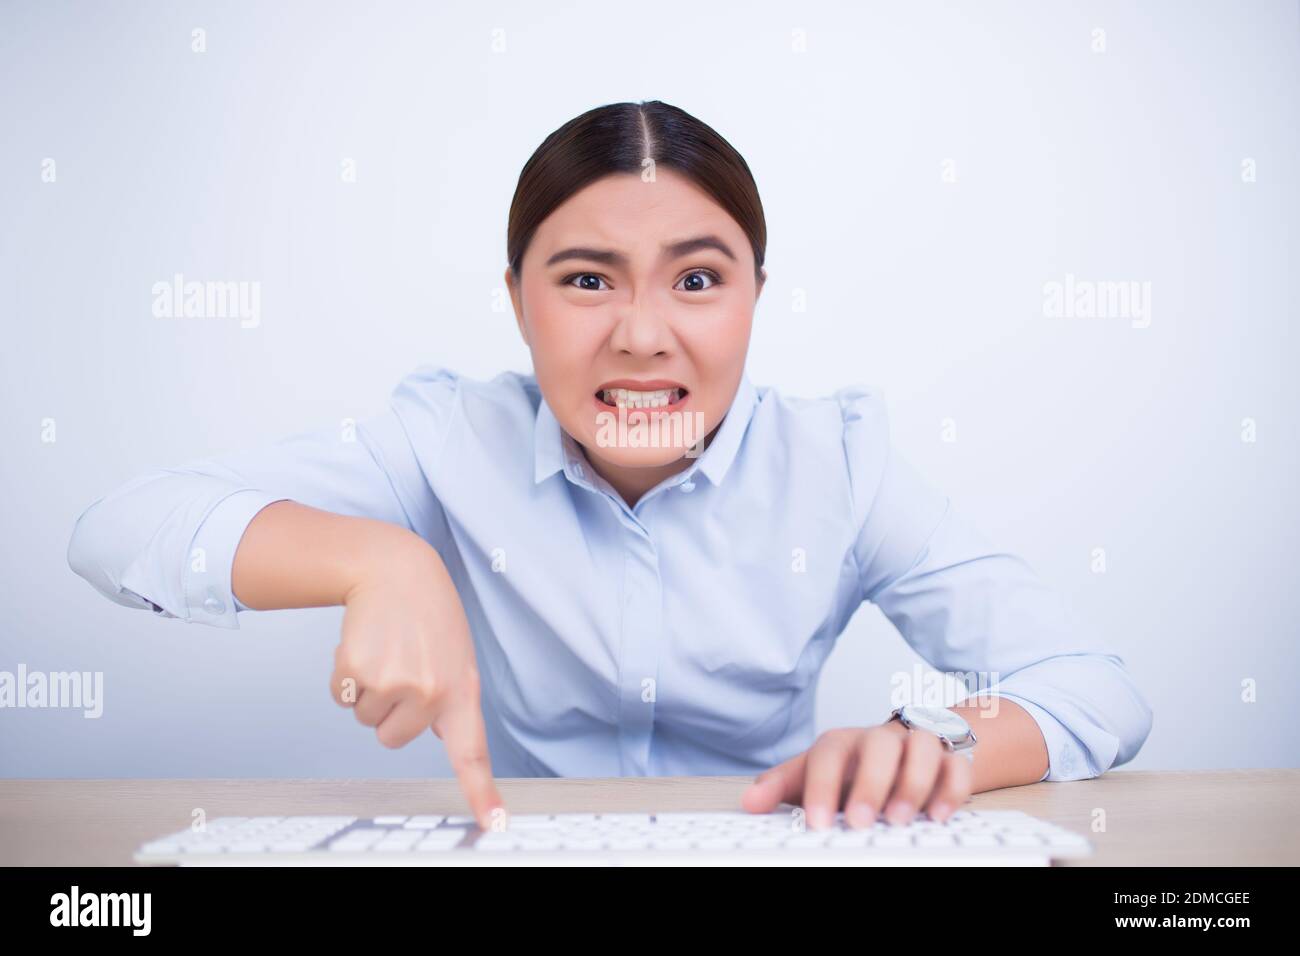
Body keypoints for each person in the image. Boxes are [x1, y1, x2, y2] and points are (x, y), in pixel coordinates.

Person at [67, 100, 1153, 831]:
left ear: (754, 300)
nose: (641, 336)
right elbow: (119, 529)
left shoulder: (841, 463)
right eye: (587, 281)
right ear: (517, 300)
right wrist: (376, 558)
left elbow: (1094, 685)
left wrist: (941, 745)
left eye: (695, 281)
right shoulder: (449, 441)